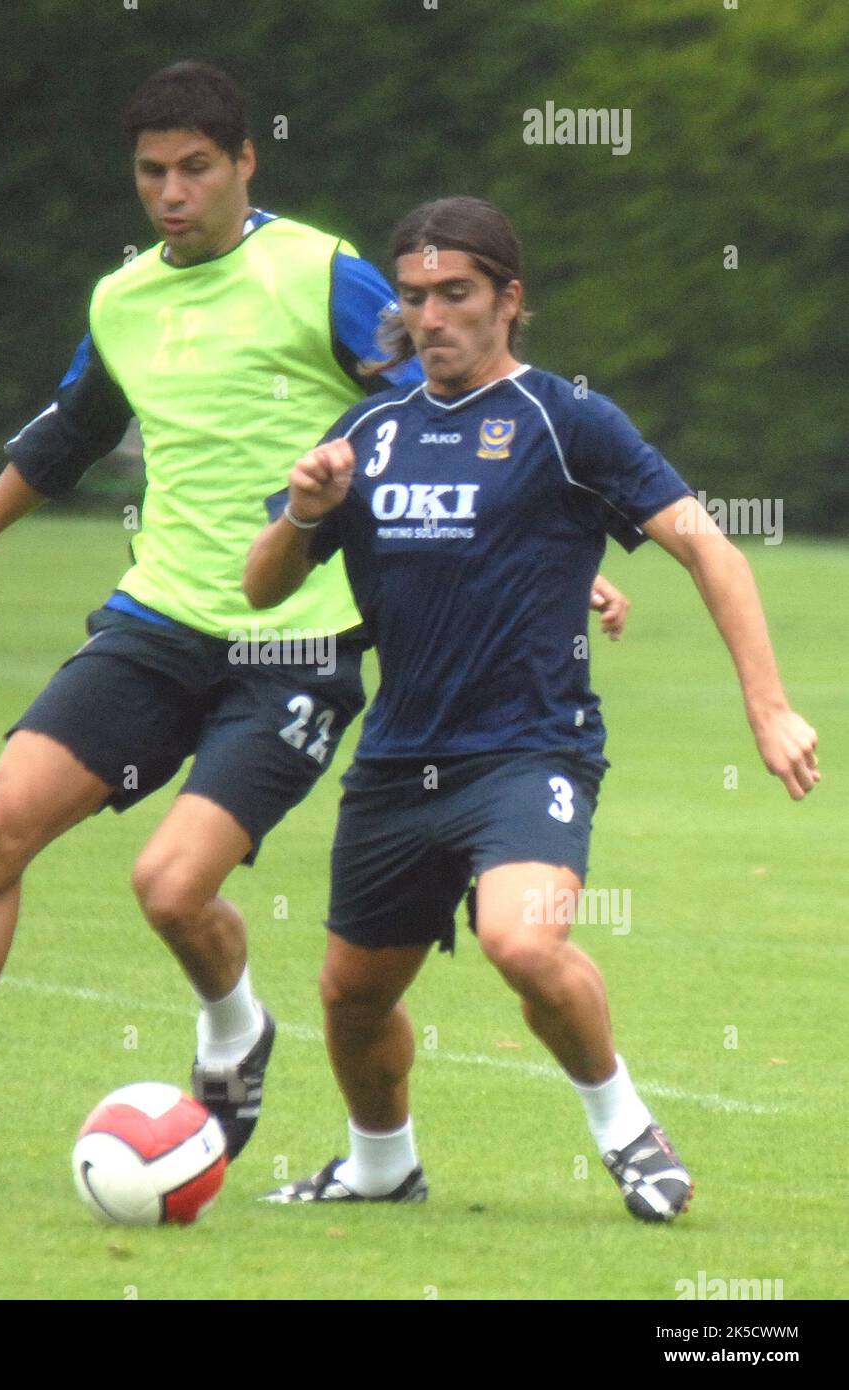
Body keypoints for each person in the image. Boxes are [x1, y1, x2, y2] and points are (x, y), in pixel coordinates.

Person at [0, 66, 626, 1183]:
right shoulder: (122, 297)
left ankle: (233, 1028)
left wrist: (556, 568)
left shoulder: (323, 273)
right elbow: (67, 431)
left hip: (296, 640)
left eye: (196, 168)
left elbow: (450, 403)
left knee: (173, 887)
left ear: (245, 164)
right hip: (156, 621)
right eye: (151, 172)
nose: (172, 192)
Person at [245, 196, 819, 1221]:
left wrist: (768, 708)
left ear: (510, 300)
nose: (431, 317)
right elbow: (262, 588)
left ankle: (626, 1129)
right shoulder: (367, 431)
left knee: (522, 941)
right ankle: (382, 1166)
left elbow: (709, 546)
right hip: (397, 761)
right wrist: (303, 512)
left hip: (529, 752)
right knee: (351, 996)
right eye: (415, 296)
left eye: (456, 293)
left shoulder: (568, 421)